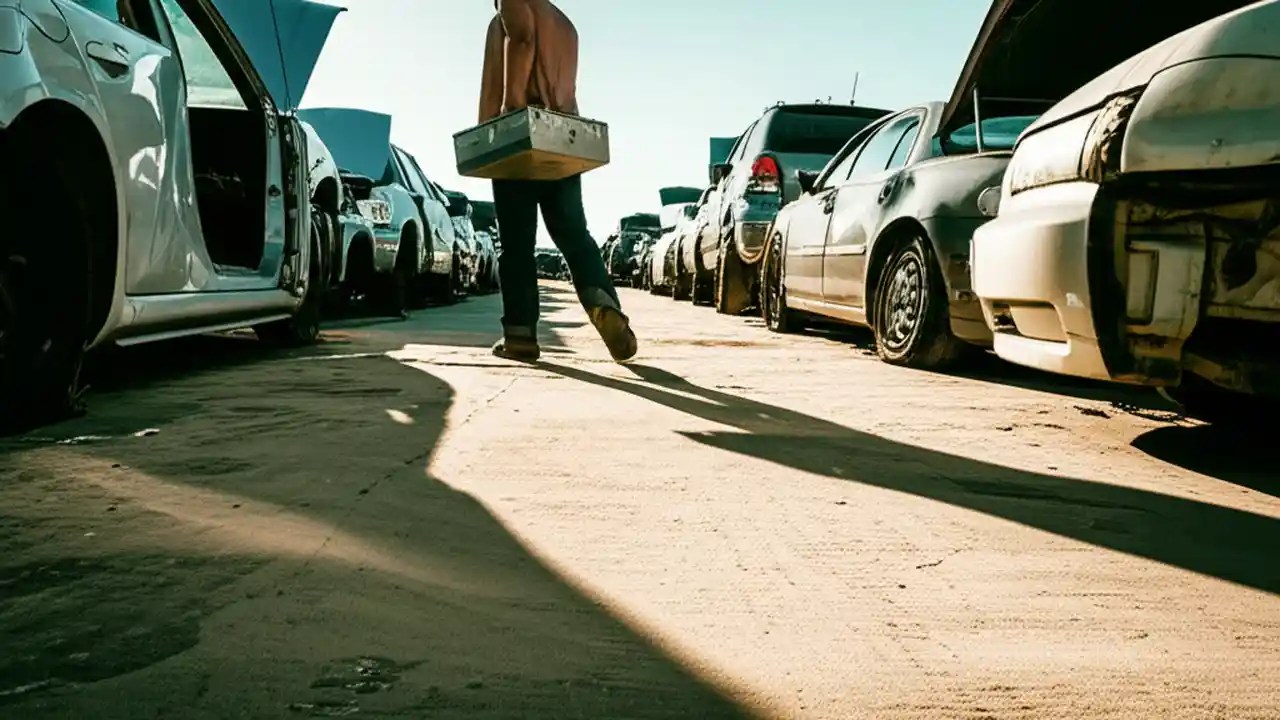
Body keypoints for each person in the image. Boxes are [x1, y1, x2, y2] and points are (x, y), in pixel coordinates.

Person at [478, 0, 637, 363]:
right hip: (560, 141)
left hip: (520, 139)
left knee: (517, 244)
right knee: (574, 236)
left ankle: (519, 336)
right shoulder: (566, 25)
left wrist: (509, 110)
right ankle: (605, 305)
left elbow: (522, 39)